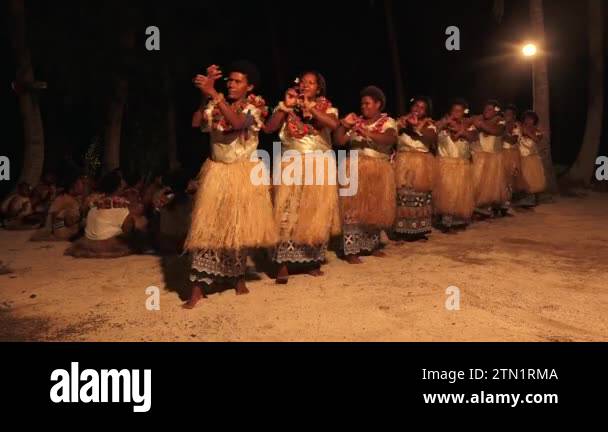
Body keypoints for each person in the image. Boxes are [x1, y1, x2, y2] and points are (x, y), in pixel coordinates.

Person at [185, 61, 277, 307]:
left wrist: (215, 95)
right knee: (208, 228)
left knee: (237, 227)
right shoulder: (216, 103)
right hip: (216, 171)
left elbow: (237, 124)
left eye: (238, 81)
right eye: (230, 80)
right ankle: (198, 285)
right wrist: (205, 96)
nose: (232, 84)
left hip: (243, 171)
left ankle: (237, 276)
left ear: (250, 86)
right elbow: (196, 122)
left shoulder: (255, 107)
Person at [263, 71, 341, 283]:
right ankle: (283, 264)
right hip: (291, 164)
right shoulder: (287, 107)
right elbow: (269, 128)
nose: (306, 85)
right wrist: (286, 107)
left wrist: (311, 108)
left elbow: (334, 126)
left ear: (318, 88)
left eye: (311, 82)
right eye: (303, 82)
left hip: (319, 164)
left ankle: (311, 261)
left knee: (315, 212)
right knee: (287, 212)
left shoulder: (327, 108)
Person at [334, 85, 397, 263]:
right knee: (352, 209)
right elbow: (339, 140)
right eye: (362, 104)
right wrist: (344, 125)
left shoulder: (387, 122)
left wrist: (367, 133)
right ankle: (351, 250)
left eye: (368, 104)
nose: (364, 107)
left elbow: (390, 139)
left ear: (378, 104)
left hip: (378, 168)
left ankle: (370, 246)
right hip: (354, 167)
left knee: (374, 209)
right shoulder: (356, 121)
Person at [65, 170, 140, 258]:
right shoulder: (121, 206)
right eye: (122, 180)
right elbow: (128, 229)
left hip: (89, 242)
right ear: (119, 187)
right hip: (108, 243)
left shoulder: (94, 203)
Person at [393, 96, 437, 240]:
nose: (418, 109)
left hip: (422, 163)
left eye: (422, 107)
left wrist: (416, 126)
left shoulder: (429, 125)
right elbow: (390, 135)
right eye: (416, 106)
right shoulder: (400, 122)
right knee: (402, 195)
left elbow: (430, 138)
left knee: (420, 195)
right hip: (402, 162)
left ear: (426, 111)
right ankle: (401, 230)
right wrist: (401, 125)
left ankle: (419, 230)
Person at [433, 99, 477, 232]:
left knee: (460, 192)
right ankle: (446, 222)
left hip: (462, 164)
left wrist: (462, 131)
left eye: (460, 110)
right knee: (447, 192)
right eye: (454, 110)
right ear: (450, 111)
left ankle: (458, 219)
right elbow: (433, 130)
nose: (457, 113)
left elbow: (474, 137)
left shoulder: (468, 125)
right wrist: (446, 122)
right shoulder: (442, 124)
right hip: (445, 164)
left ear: (464, 112)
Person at [471, 100, 508, 217]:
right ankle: (478, 206)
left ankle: (489, 206)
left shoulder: (501, 121)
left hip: (494, 158)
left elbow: (497, 131)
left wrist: (481, 125)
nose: (486, 111)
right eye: (485, 109)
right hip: (479, 156)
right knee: (477, 183)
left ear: (496, 111)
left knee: (491, 184)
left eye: (490, 109)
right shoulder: (478, 119)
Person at [30, 174, 86, 241]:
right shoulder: (62, 198)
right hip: (61, 229)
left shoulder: (73, 199)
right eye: (81, 184)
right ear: (74, 186)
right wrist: (57, 230)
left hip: (68, 228)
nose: (83, 187)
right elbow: (53, 216)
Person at [515, 110, 546, 207]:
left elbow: (537, 139)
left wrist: (528, 131)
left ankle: (533, 198)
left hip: (532, 159)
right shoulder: (519, 128)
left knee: (533, 179)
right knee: (523, 178)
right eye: (527, 120)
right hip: (521, 157)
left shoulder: (537, 132)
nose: (528, 122)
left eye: (531, 120)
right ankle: (524, 198)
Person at [502, 104, 522, 215]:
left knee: (510, 180)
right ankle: (499, 204)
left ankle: (507, 204)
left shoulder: (516, 126)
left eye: (510, 114)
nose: (507, 116)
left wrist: (502, 133)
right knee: (500, 180)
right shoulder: (501, 124)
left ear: (514, 116)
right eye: (506, 114)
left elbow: (513, 140)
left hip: (512, 156)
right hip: (501, 154)